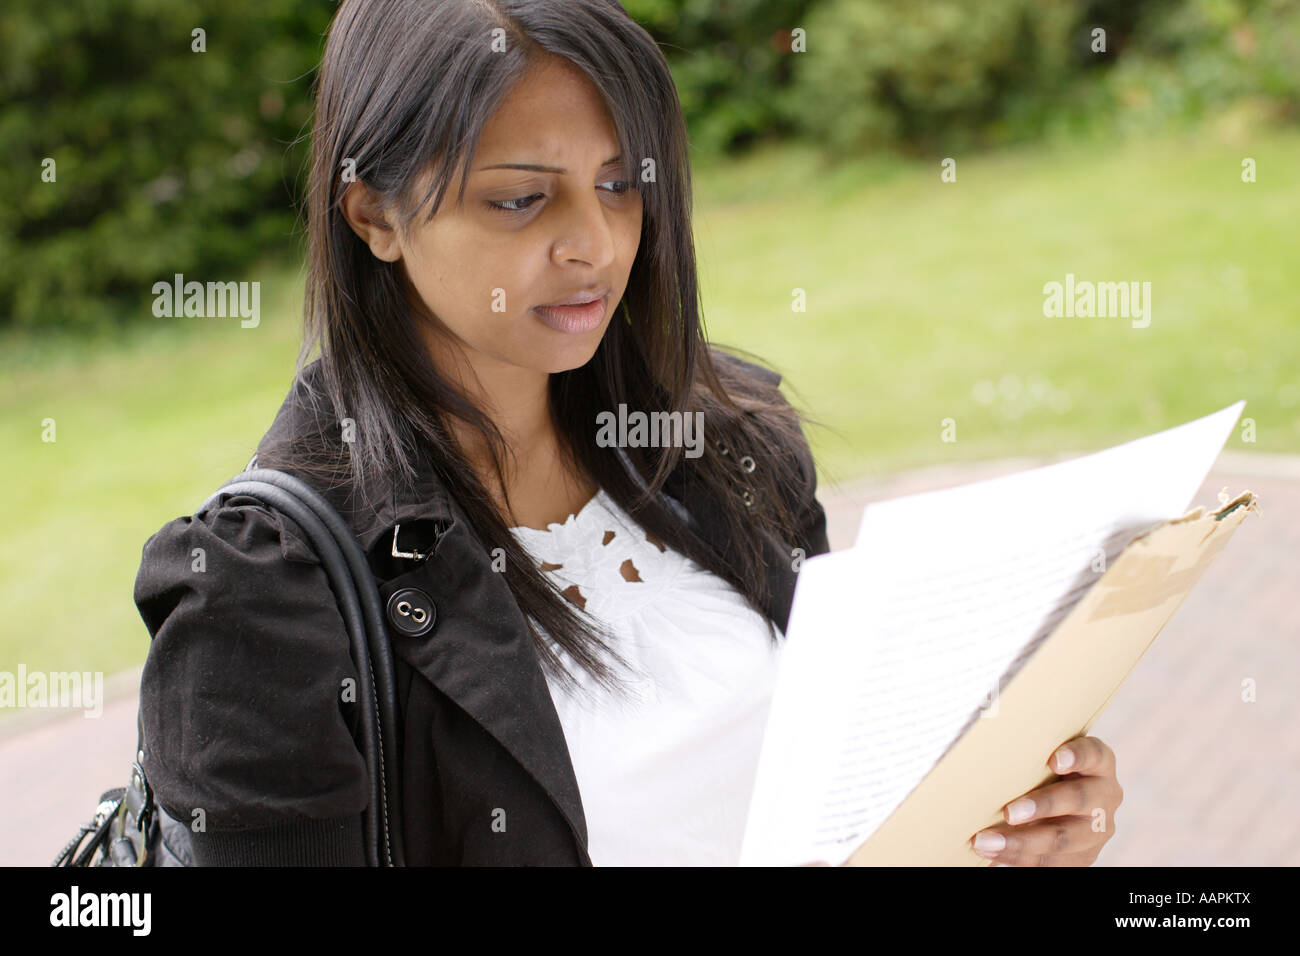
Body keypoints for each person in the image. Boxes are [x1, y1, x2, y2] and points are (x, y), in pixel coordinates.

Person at [132, 0, 1122, 866]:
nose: (596, 245)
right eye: (521, 198)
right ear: (373, 213)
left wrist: (997, 825)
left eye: (619, 184)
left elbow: (830, 791)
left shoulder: (725, 441)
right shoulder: (263, 596)